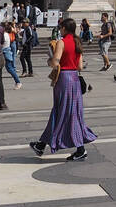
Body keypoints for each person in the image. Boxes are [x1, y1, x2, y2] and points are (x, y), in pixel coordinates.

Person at [29, 19, 96, 162]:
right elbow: (80, 67)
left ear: (64, 28)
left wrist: (49, 61)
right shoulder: (78, 42)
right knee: (71, 113)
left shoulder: (62, 42)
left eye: (61, 27)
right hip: (75, 79)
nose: (60, 30)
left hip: (64, 79)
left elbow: (55, 62)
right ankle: (42, 145)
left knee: (60, 111)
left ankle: (79, 149)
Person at [1, 22, 23, 88]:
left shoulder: (4, 35)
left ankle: (18, 82)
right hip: (6, 52)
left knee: (9, 68)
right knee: (2, 69)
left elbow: (1, 44)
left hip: (5, 52)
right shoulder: (6, 34)